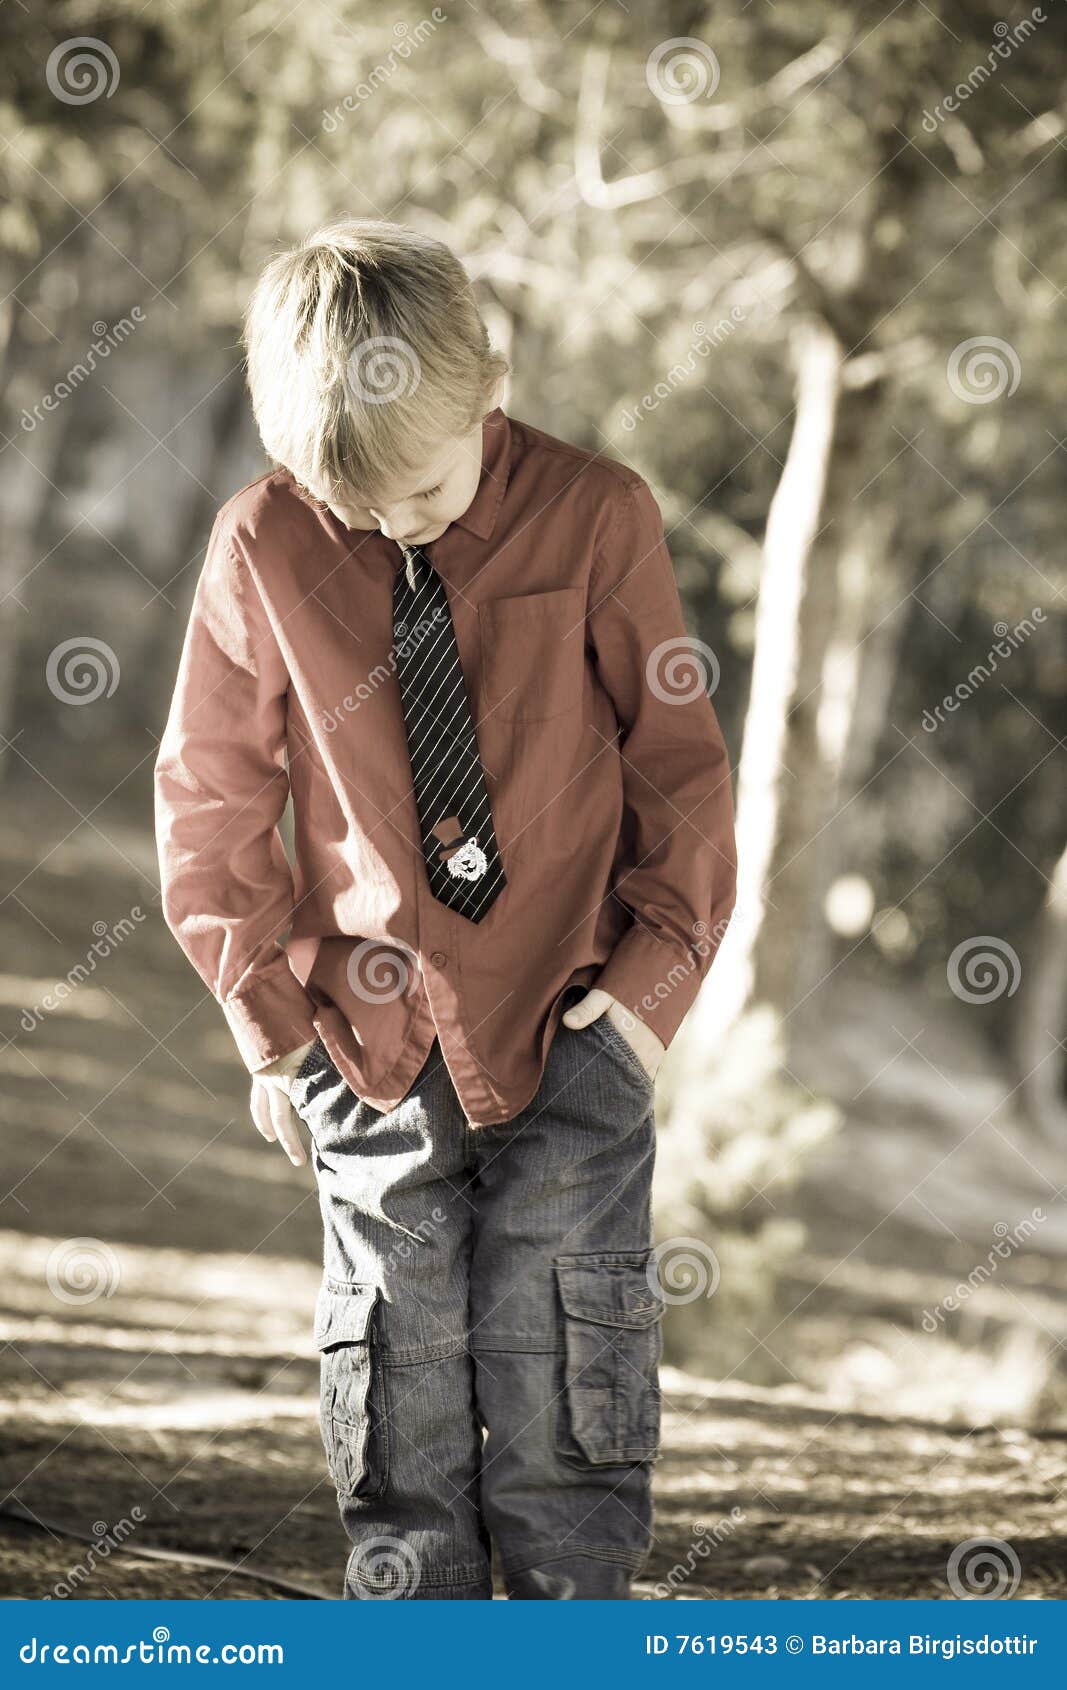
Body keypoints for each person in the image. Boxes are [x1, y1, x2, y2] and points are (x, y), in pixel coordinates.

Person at [154, 218, 736, 1599]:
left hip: (570, 1026)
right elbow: (212, 799)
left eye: (418, 491)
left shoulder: (599, 514)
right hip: (367, 1051)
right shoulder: (261, 547)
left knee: (561, 1417)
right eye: (353, 506)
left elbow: (682, 772)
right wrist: (270, 1030)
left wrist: (648, 1005)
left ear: (493, 384)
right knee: (401, 1422)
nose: (391, 525)